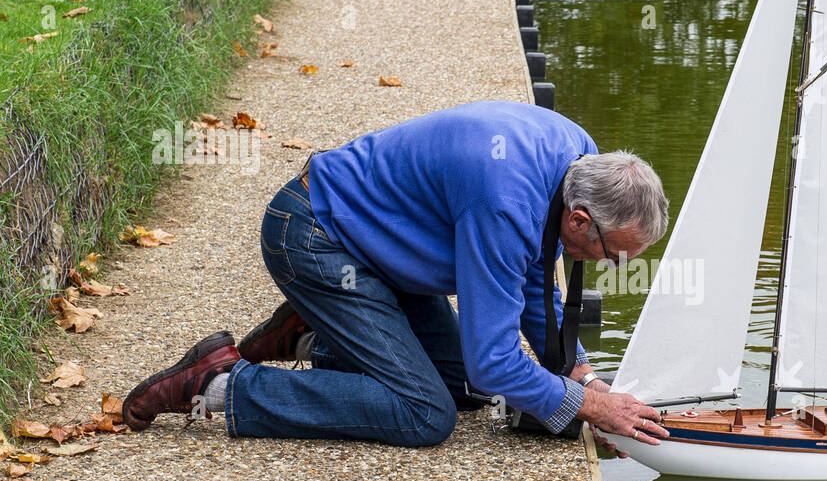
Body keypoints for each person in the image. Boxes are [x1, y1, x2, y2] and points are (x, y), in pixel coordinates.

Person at [121, 100, 671, 451]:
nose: (611, 267)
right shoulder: (505, 203)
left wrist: (583, 377)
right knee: (425, 413)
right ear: (581, 218)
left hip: (372, 255)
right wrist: (593, 407)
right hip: (314, 237)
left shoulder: (579, 157)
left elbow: (532, 282)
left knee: (468, 390)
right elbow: (495, 361)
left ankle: (318, 333)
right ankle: (219, 383)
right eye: (612, 253)